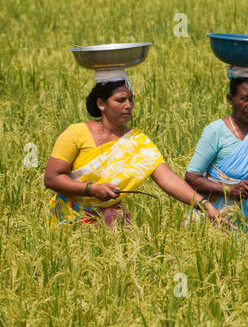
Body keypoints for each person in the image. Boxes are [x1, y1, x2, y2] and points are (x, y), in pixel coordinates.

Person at [44, 76, 222, 225]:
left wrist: (204, 205)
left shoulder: (138, 141)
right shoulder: (76, 133)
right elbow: (52, 178)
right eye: (120, 100)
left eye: (131, 99)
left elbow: (167, 178)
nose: (128, 105)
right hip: (68, 218)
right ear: (101, 103)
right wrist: (91, 189)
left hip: (111, 220)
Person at [185, 71, 248, 225]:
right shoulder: (216, 131)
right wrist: (229, 190)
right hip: (222, 216)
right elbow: (192, 178)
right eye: (245, 99)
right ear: (230, 99)